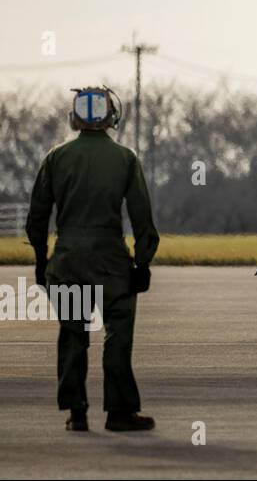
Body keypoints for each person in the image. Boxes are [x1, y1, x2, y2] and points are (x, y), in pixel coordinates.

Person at [26, 87, 160, 432]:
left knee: (72, 334)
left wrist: (42, 262)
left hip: (67, 260)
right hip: (111, 262)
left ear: (76, 117)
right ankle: (119, 412)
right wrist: (142, 263)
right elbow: (143, 219)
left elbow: (37, 218)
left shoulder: (56, 158)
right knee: (118, 333)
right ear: (110, 116)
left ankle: (77, 412)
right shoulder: (126, 159)